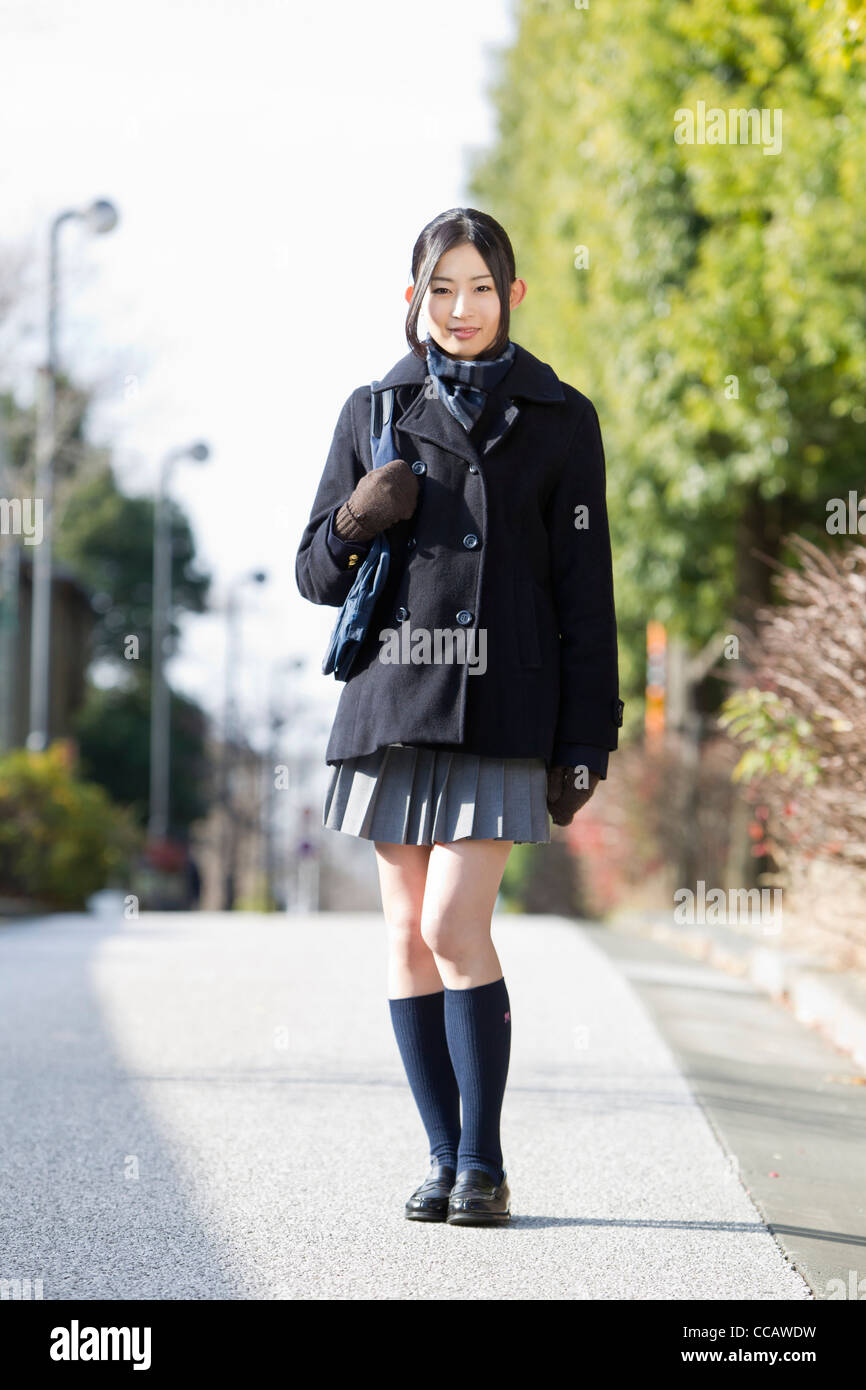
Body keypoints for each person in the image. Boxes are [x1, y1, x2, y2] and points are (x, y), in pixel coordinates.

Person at [295, 207, 623, 1227]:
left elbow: (585, 589)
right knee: (403, 934)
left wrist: (586, 737)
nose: (461, 307)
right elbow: (313, 570)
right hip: (394, 702)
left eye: (480, 287)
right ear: (414, 299)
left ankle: (484, 1159)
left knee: (451, 923)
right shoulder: (371, 410)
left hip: (503, 704)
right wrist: (362, 513)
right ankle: (443, 1160)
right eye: (441, 289)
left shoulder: (560, 418)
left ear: (512, 295)